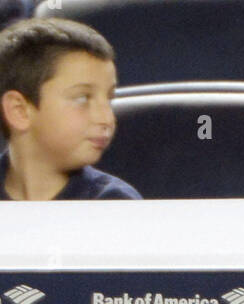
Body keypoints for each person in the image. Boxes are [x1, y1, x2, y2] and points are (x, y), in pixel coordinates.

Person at [0, 16, 141, 200]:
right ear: (19, 111)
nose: (107, 119)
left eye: (109, 99)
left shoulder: (114, 203)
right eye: (82, 98)